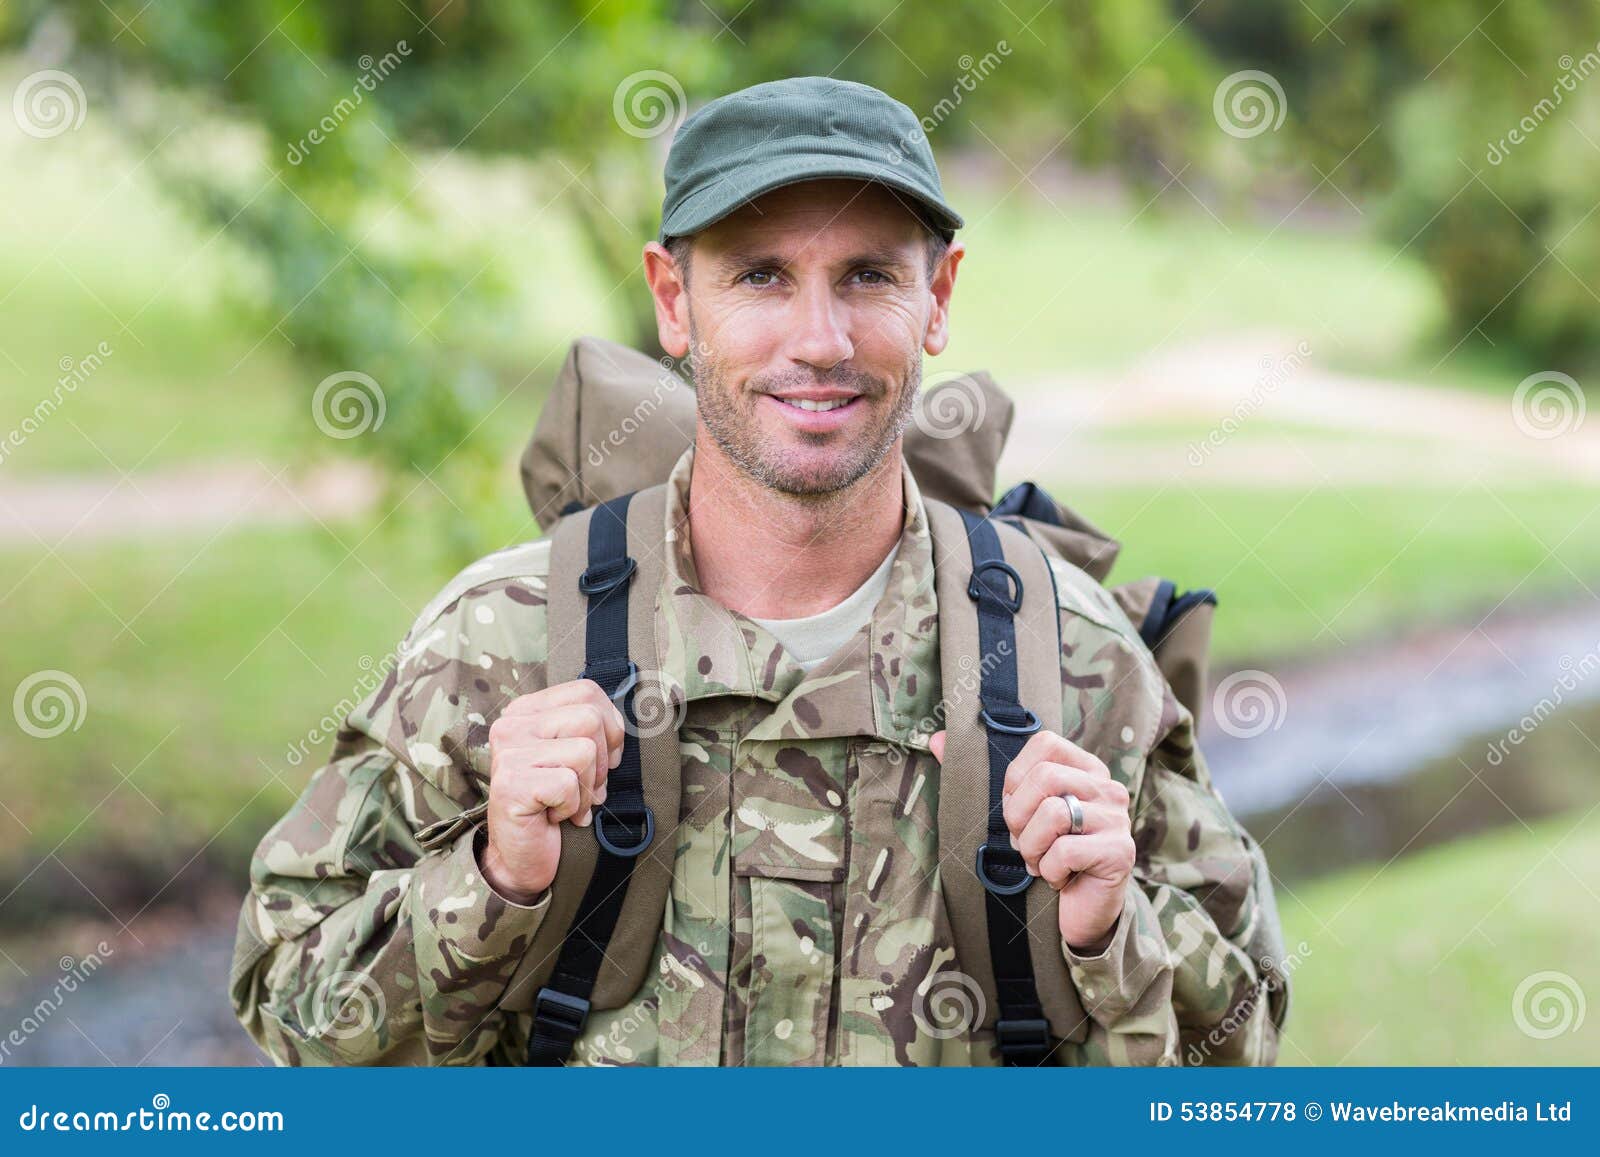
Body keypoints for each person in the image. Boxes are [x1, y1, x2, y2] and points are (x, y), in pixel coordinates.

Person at [230, 75, 1287, 1067]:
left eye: (868, 275)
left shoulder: (1071, 658)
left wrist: (1109, 932)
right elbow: (289, 1007)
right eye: (759, 276)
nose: (818, 340)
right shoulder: (499, 641)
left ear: (937, 296)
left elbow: (1241, 1061)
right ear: (673, 300)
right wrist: (496, 880)